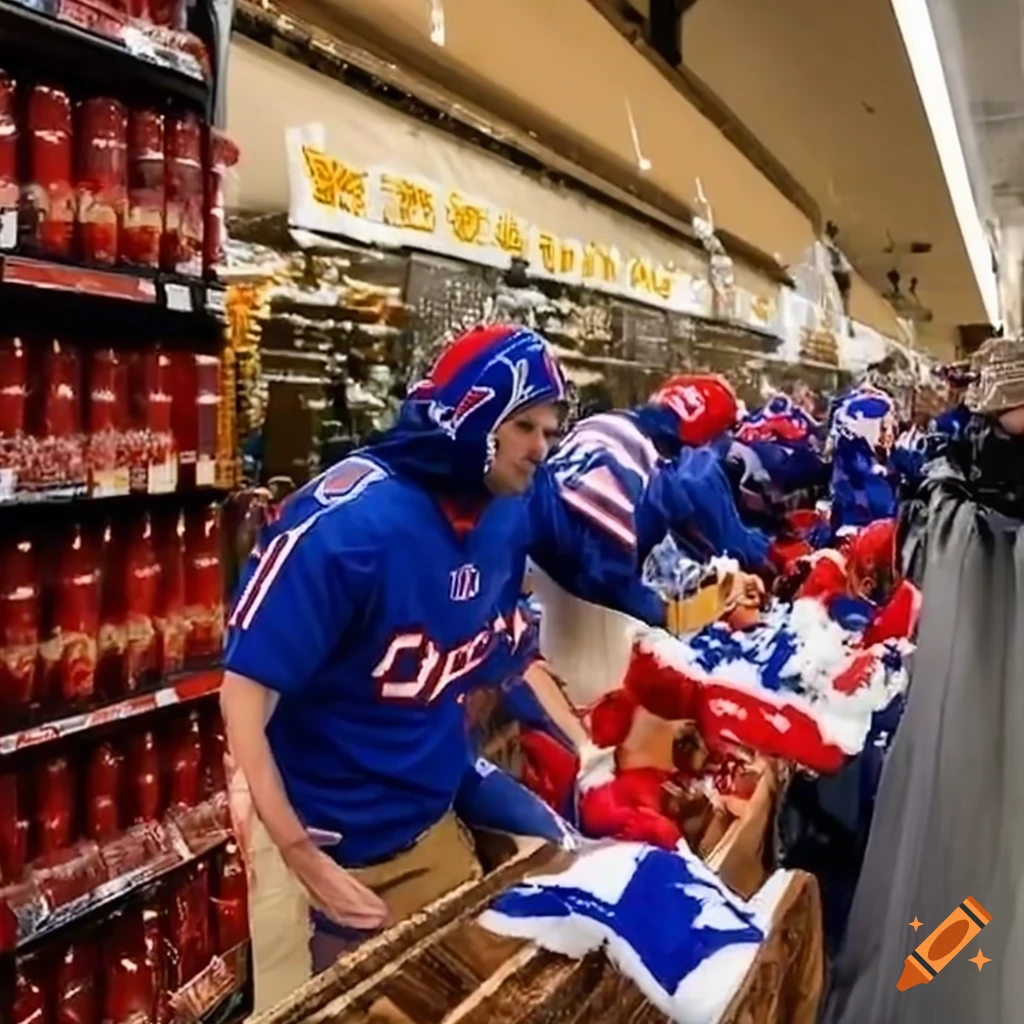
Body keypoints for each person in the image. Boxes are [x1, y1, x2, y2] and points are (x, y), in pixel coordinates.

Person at [222, 324, 665, 1009]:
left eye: (549, 430)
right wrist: (297, 851)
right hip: (317, 840)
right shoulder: (346, 523)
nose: (540, 450)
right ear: (470, 413)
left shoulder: (505, 516)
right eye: (524, 426)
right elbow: (243, 693)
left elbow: (505, 656)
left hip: (426, 823)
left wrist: (584, 752)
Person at [823, 338, 1024, 1024]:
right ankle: (953, 973)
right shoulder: (955, 494)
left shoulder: (949, 489)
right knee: (972, 870)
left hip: (970, 711)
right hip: (972, 709)